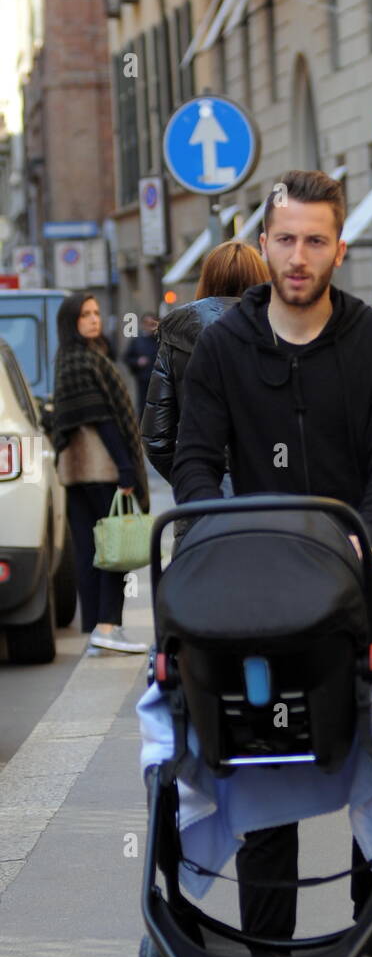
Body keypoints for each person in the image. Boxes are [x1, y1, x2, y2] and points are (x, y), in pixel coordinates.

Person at [171, 169, 372, 957]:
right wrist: (217, 538)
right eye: (286, 239)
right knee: (259, 772)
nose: (300, 256)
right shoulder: (225, 348)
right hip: (254, 603)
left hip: (361, 597)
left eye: (317, 241)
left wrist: (370, 535)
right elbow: (194, 460)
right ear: (263, 243)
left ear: (338, 249)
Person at [52, 292, 150, 655]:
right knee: (114, 549)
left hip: (75, 471)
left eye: (95, 313)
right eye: (85, 315)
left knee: (90, 551)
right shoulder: (84, 360)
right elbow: (103, 419)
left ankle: (97, 629)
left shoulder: (68, 358)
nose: (93, 319)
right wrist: (126, 467)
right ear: (71, 322)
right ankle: (108, 625)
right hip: (100, 466)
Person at [141, 243, 270, 483]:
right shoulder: (282, 330)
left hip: (205, 495)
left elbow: (157, 438)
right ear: (261, 278)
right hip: (274, 494)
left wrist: (194, 483)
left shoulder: (177, 335)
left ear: (207, 280)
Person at [123, 313, 159, 420]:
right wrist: (137, 362)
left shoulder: (160, 339)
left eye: (152, 324)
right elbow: (127, 357)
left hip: (159, 378)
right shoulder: (137, 340)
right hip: (143, 378)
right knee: (143, 404)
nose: (150, 326)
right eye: (147, 323)